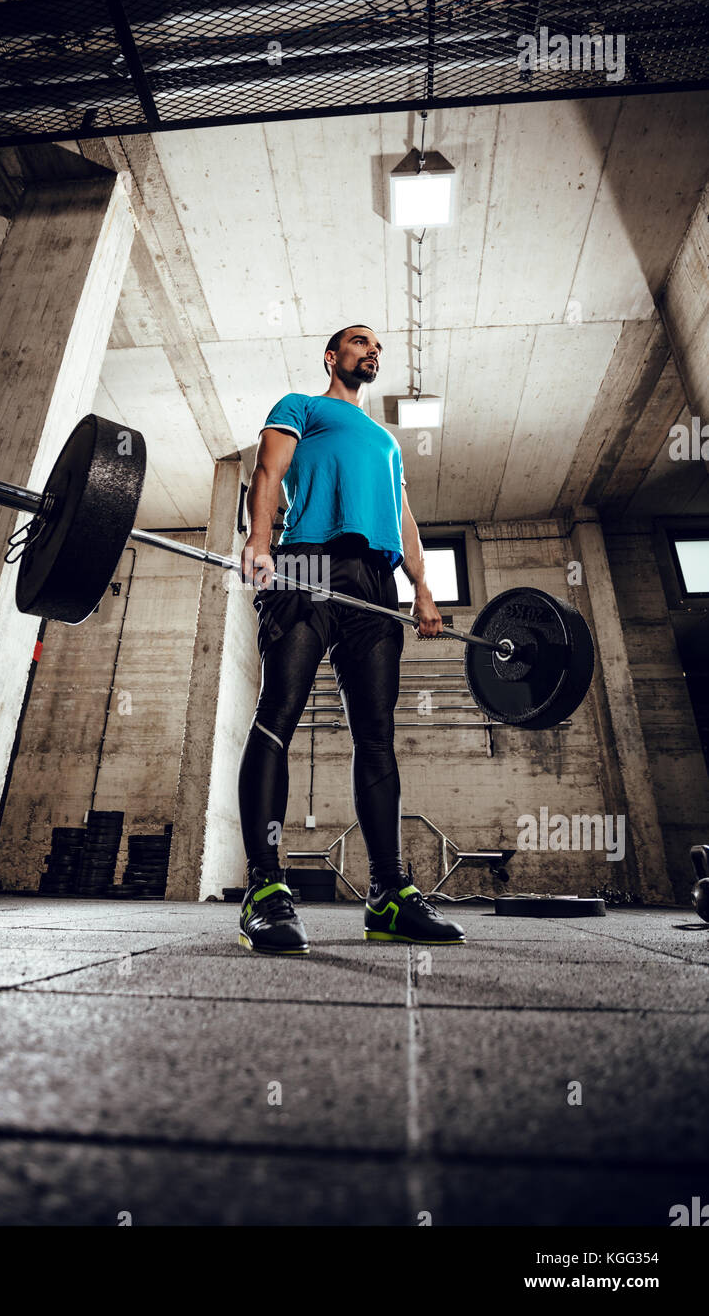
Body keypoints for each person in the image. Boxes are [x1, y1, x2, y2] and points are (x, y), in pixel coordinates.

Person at [236, 324, 466, 955]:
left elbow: (403, 518)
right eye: (360, 342)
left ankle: (389, 894)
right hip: (306, 560)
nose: (373, 351)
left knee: (377, 733)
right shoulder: (301, 407)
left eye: (376, 347)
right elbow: (268, 468)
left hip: (374, 580)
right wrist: (259, 542)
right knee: (277, 713)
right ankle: (265, 888)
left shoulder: (387, 442)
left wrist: (422, 589)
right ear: (333, 356)